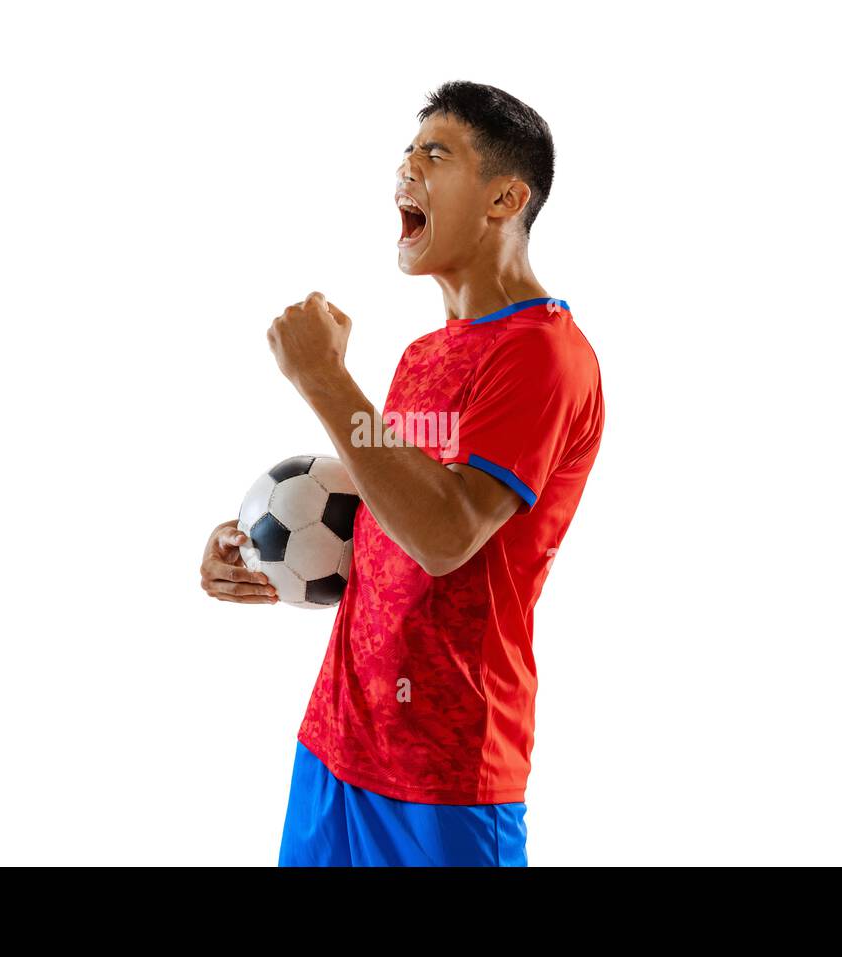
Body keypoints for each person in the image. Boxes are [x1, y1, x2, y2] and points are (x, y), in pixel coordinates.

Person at [199, 80, 604, 866]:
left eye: (435, 153)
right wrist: (265, 553)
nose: (405, 167)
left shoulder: (544, 355)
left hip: (445, 779)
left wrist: (323, 378)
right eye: (407, 151)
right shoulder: (424, 355)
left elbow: (448, 534)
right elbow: (397, 527)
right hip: (336, 746)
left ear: (504, 197)